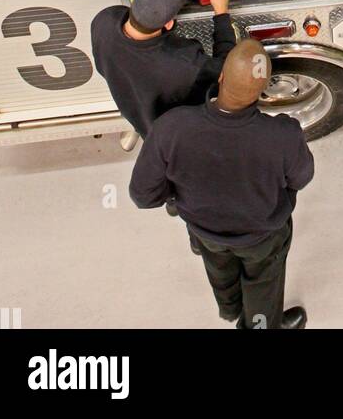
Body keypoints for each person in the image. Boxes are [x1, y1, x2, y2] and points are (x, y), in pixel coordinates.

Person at [129, 39, 315, 330]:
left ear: (221, 77)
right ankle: (258, 325)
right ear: (262, 91)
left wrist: (179, 196)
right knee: (263, 283)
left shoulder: (172, 127)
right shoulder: (283, 135)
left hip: (205, 232)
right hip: (262, 237)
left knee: (218, 268)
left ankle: (231, 308)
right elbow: (301, 178)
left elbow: (142, 195)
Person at [91, 0, 236, 140]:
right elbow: (228, 72)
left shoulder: (104, 21)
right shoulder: (186, 65)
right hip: (177, 138)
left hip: (142, 113)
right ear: (169, 24)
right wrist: (221, 12)